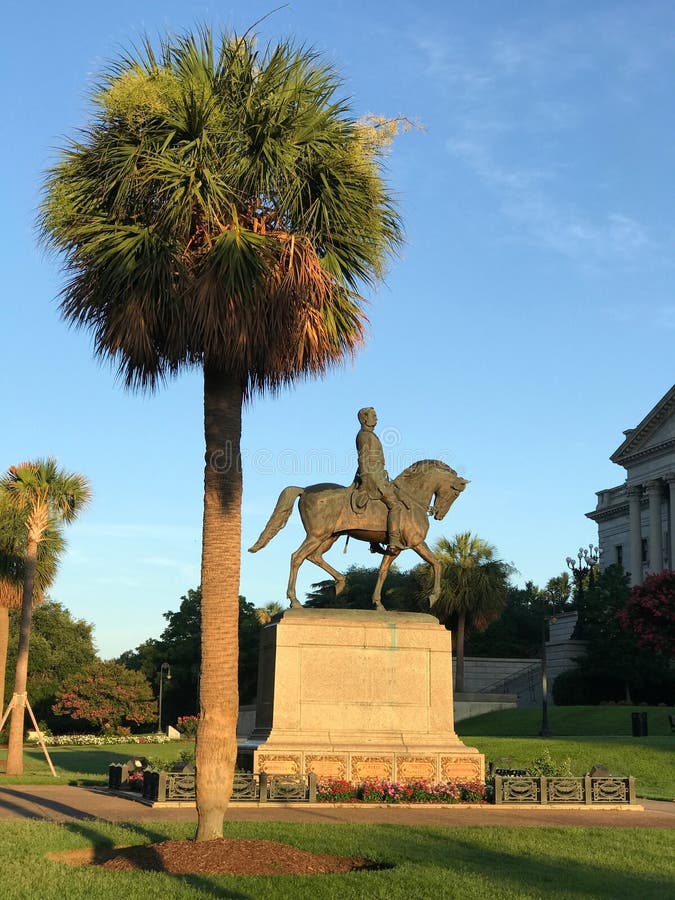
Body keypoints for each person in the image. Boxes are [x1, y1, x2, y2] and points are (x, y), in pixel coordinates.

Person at [355, 407, 405, 552]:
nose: (376, 418)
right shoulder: (364, 435)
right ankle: (394, 541)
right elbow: (363, 459)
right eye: (373, 416)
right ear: (364, 419)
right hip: (372, 477)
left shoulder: (370, 435)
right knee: (395, 505)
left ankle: (374, 542)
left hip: (378, 474)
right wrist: (366, 481)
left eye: (376, 416)